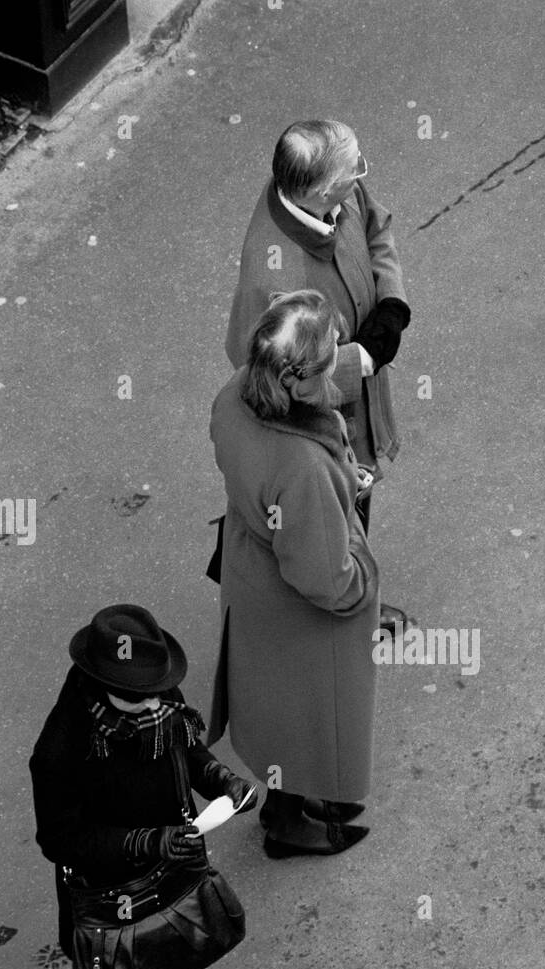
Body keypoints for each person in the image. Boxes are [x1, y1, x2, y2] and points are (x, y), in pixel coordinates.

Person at [29, 605, 256, 969]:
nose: (160, 705)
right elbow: (61, 840)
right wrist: (148, 841)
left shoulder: (149, 689)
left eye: (162, 693)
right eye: (145, 700)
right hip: (112, 906)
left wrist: (224, 783)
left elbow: (188, 748)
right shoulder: (61, 750)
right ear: (105, 687)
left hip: (167, 882)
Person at [207, 289, 378, 858]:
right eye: (330, 356)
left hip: (250, 572)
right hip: (295, 605)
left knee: (276, 706)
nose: (338, 361)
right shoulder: (301, 467)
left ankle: (303, 801)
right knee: (305, 714)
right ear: (294, 378)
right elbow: (328, 581)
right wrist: (363, 584)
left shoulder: (235, 394)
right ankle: (287, 822)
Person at [225, 118, 411, 630]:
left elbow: (377, 227)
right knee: (340, 510)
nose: (363, 175)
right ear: (320, 188)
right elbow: (276, 378)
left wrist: (390, 299)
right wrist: (367, 358)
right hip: (327, 419)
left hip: (353, 400)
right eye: (356, 169)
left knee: (353, 500)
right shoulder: (276, 283)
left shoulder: (329, 192)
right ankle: (351, 607)